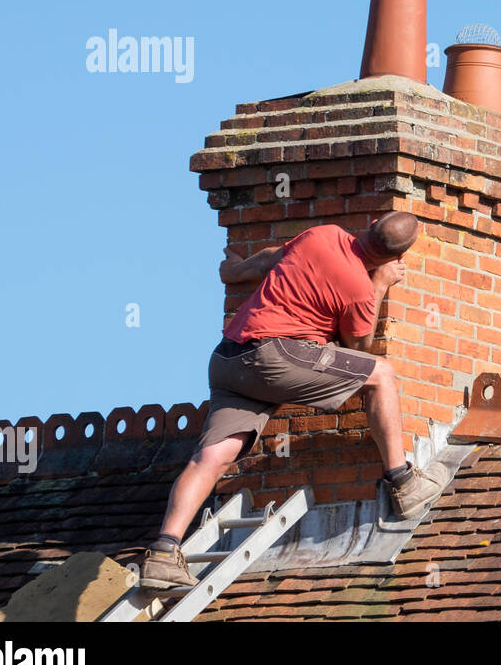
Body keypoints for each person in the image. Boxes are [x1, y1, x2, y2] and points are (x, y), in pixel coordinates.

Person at [138, 210, 448, 591]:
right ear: (392, 258)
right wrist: (380, 284)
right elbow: (360, 345)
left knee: (212, 456)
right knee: (380, 374)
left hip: (228, 359)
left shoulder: (321, 234)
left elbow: (271, 257)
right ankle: (402, 481)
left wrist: (235, 273)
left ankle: (164, 553)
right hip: (273, 356)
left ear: (369, 225)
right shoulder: (358, 287)